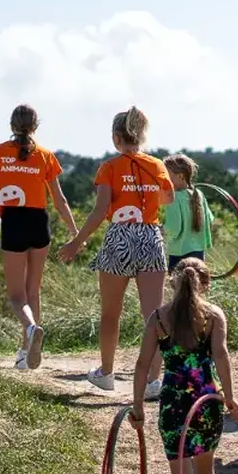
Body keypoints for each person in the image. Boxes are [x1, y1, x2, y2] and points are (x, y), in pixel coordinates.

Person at [129, 258, 238, 474]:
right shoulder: (213, 316)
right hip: (205, 403)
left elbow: (141, 364)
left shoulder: (158, 318)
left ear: (172, 282)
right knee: (205, 469)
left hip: (174, 406)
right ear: (205, 284)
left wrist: (138, 405)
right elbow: (220, 355)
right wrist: (230, 397)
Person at [58, 107, 174, 392]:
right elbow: (168, 199)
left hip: (119, 238)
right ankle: (152, 380)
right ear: (142, 134)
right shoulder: (157, 165)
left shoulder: (108, 168)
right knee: (154, 314)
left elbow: (100, 211)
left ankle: (106, 373)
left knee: (110, 313)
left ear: (115, 137)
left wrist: (77, 241)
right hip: (150, 236)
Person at [0, 104, 77, 370]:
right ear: (35, 126)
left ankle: (31, 329)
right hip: (39, 222)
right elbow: (59, 199)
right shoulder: (44, 155)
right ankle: (26, 350)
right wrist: (75, 232)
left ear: (12, 125)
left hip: (13, 222)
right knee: (34, 290)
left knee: (17, 296)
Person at [161, 154, 215, 271]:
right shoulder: (199, 194)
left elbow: (174, 229)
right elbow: (210, 221)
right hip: (198, 253)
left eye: (167, 176)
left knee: (179, 288)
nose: (164, 180)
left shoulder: (173, 198)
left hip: (179, 254)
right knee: (195, 287)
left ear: (180, 176)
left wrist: (161, 230)